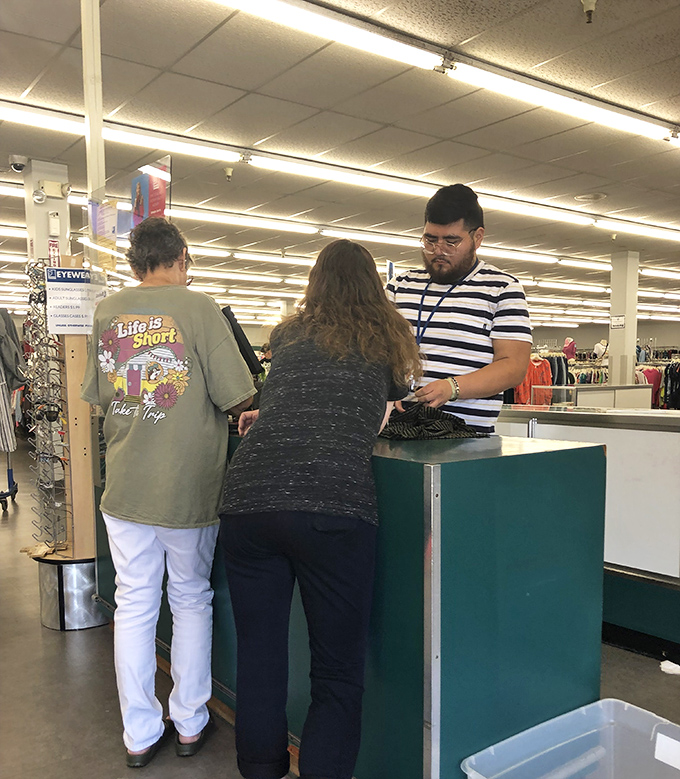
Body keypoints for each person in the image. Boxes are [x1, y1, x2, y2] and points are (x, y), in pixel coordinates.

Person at [219, 239, 421, 779]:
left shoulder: (287, 333)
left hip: (248, 500)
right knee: (335, 671)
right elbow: (392, 403)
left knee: (260, 658)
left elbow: (288, 396)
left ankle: (261, 770)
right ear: (374, 286)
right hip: (333, 506)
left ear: (315, 283)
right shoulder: (387, 337)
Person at [81, 217, 256, 767]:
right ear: (181, 257)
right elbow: (238, 396)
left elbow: (103, 396)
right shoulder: (200, 308)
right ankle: (188, 722)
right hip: (188, 487)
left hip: (127, 485)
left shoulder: (108, 311)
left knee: (133, 604)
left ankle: (138, 734)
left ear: (134, 262)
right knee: (189, 599)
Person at [386, 183, 533, 434]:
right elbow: (374, 350)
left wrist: (453, 387)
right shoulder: (399, 286)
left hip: (468, 439)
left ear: (477, 238)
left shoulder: (502, 289)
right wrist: (387, 385)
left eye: (451, 242)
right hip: (399, 432)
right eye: (430, 240)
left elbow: (513, 366)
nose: (438, 251)